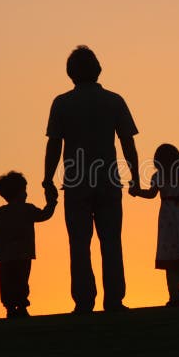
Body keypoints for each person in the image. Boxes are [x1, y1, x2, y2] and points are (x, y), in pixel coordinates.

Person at [43, 46, 141, 313]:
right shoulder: (114, 100)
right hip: (108, 180)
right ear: (97, 69)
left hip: (76, 183)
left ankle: (84, 301)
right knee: (111, 242)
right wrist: (136, 177)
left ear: (70, 73)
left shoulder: (62, 103)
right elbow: (127, 142)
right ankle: (114, 300)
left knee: (79, 244)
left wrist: (47, 179)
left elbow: (54, 145)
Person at [130, 143, 179, 306]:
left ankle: (175, 295)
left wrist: (137, 192)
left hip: (168, 219)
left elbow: (151, 194)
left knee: (171, 257)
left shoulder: (160, 176)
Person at [0, 171, 57, 318]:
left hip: (6, 256)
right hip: (23, 255)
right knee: (21, 281)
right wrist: (52, 202)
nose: (26, 194)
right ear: (19, 192)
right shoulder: (27, 209)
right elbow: (44, 215)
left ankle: (10, 308)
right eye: (24, 190)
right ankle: (21, 306)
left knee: (7, 283)